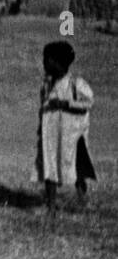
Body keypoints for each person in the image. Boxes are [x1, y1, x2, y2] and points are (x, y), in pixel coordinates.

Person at [37, 41, 96, 213]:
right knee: (49, 166)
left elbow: (89, 103)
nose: (44, 63)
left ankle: (81, 196)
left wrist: (66, 103)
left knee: (77, 166)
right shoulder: (46, 85)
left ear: (59, 62)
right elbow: (43, 108)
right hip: (51, 134)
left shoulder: (75, 83)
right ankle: (51, 205)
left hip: (72, 134)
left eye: (47, 60)